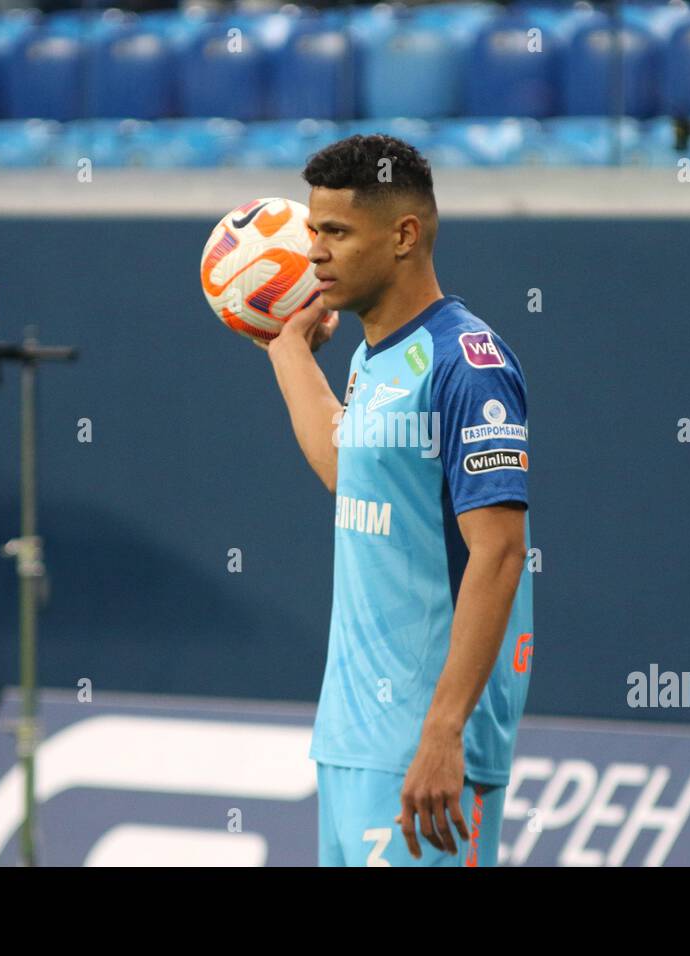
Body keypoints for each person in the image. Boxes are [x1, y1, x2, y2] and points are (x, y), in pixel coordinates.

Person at [259, 134, 534, 865]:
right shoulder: (371, 357)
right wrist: (286, 350)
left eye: (337, 233)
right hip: (351, 743)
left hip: (425, 757)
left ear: (404, 235)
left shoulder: (468, 364)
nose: (313, 252)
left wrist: (442, 733)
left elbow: (501, 553)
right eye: (313, 231)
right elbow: (348, 474)